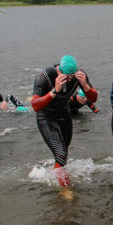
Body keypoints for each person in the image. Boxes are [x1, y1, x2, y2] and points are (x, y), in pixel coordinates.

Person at [31, 55, 98, 198]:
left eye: (71, 77)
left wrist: (85, 86)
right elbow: (35, 105)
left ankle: (57, 175)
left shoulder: (79, 75)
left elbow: (93, 98)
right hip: (46, 118)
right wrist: (54, 90)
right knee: (60, 153)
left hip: (64, 116)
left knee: (63, 154)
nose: (69, 80)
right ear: (59, 71)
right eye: (66, 77)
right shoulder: (45, 75)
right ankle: (65, 190)